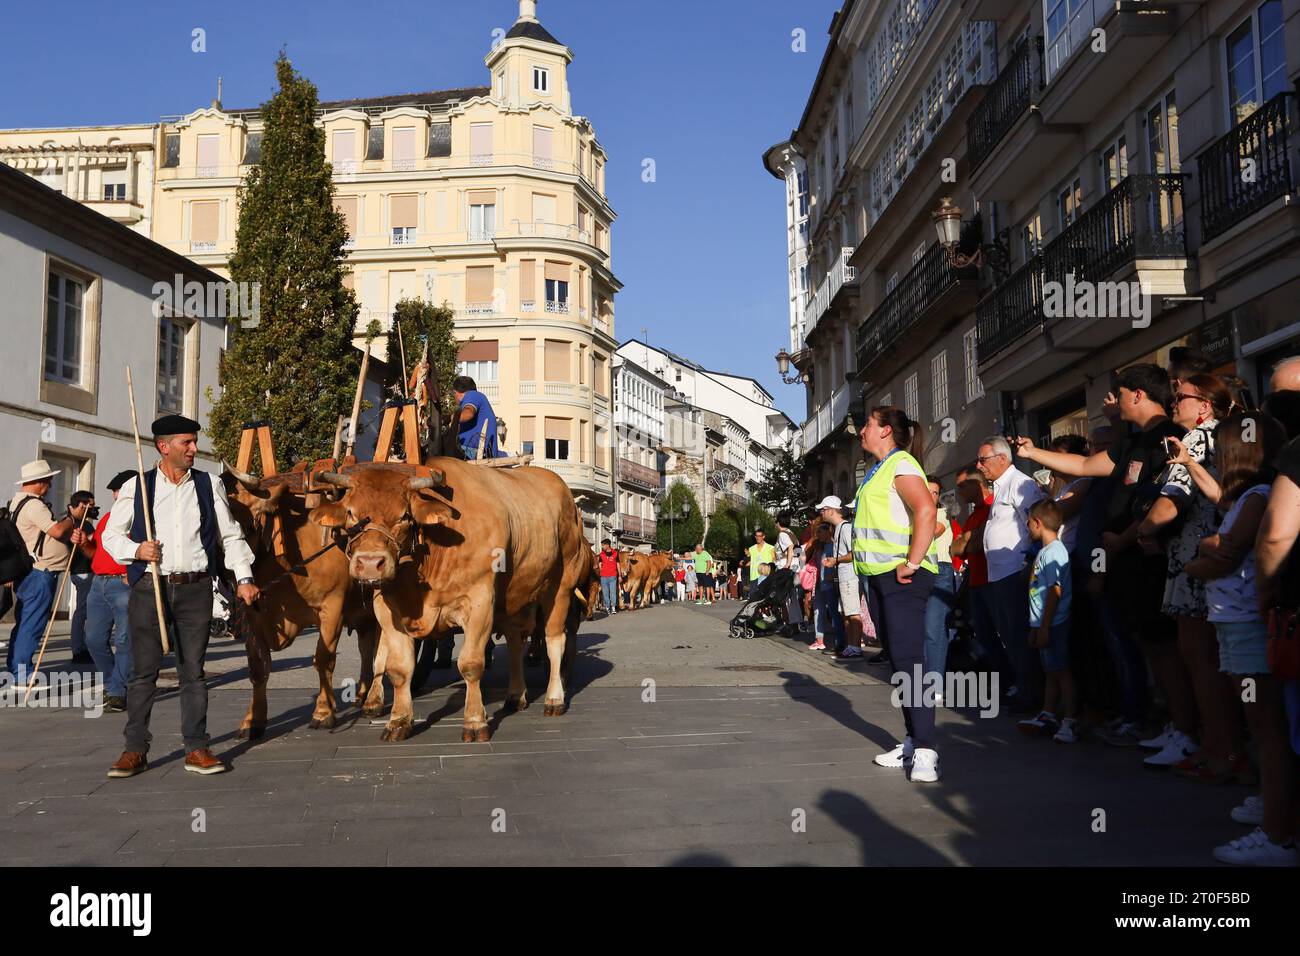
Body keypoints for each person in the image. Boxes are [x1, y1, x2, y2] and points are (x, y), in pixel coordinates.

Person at [1017, 364, 1184, 747]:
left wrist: (1126, 538)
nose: (1116, 401)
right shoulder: (1130, 443)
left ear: (1138, 394)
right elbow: (1083, 466)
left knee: (1164, 647)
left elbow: (1166, 500)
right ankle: (1172, 725)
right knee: (1146, 644)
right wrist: (1033, 452)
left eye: (1121, 394)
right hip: (1122, 560)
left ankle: (1183, 728)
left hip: (1150, 558)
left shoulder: (1170, 439)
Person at [101, 414, 260, 778]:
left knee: (193, 671)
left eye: (193, 442)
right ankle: (134, 749)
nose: (193, 449)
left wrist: (245, 577)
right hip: (150, 588)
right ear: (164, 446)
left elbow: (230, 535)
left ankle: (197, 748)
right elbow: (111, 537)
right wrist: (138, 551)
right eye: (186, 442)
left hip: (195, 588)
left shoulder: (209, 484)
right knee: (143, 673)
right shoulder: (137, 486)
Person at [1184, 412, 1296, 865]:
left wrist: (1199, 558)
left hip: (1250, 623)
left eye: (1219, 448)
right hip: (1236, 622)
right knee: (1261, 724)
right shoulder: (1247, 497)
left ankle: (1278, 831)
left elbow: (1225, 553)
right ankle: (1272, 802)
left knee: (1268, 728)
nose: (1214, 454)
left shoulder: (1257, 496)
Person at [1148, 374, 1244, 777]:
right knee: (1209, 657)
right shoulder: (1218, 436)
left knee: (1200, 657)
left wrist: (1141, 531)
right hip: (1205, 556)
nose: (1174, 404)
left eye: (1180, 397)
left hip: (1196, 560)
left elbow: (1174, 500)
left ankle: (1222, 751)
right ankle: (1220, 747)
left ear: (1204, 405)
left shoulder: (1199, 440)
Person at [854, 407, 940, 781]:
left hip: (902, 575)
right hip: (879, 576)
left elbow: (926, 509)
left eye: (868, 425)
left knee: (909, 661)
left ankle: (925, 750)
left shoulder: (901, 463)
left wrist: (913, 560)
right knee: (898, 662)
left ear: (886, 430)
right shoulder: (876, 469)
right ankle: (911, 739)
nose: (861, 431)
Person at [975, 435, 1046, 713]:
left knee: (1018, 634)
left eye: (983, 459)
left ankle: (1032, 694)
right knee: (1009, 634)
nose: (979, 465)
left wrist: (1027, 561)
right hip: (998, 573)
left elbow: (1035, 524)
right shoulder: (1001, 487)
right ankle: (1024, 687)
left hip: (1014, 570)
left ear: (1002, 458)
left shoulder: (1020, 484)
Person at [6, 459, 91, 680]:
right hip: (40, 572)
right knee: (32, 623)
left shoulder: (17, 502)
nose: (51, 485)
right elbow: (54, 531)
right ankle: (22, 673)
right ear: (39, 482)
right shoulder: (34, 505)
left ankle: (17, 667)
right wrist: (72, 520)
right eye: (48, 480)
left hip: (30, 572)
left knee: (25, 621)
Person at [1018, 499, 1077, 742]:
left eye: (1029, 522)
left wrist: (1043, 627)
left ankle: (1071, 722)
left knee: (1062, 671)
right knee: (1050, 671)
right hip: (1044, 623)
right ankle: (1048, 713)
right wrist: (1035, 626)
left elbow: (1054, 592)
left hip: (1055, 623)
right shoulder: (1045, 551)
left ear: (1038, 523)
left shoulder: (1054, 552)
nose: (1027, 526)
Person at [83, 471, 138, 712]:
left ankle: (118, 691)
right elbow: (94, 553)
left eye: (118, 491)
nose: (115, 496)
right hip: (99, 583)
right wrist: (84, 543)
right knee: (93, 639)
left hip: (123, 583)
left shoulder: (142, 519)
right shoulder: (107, 518)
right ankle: (114, 682)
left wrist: (134, 572)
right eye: (115, 492)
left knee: (125, 639)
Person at [924, 479, 958, 690]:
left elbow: (932, 532)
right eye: (927, 491)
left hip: (940, 571)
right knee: (921, 629)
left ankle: (935, 684)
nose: (931, 496)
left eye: (935, 493)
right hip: (920, 569)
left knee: (933, 629)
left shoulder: (942, 514)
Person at [815, 497, 850, 656]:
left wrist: (835, 561)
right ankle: (842, 646)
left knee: (847, 614)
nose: (821, 512)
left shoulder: (845, 528)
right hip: (838, 579)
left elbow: (853, 554)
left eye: (823, 509)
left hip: (846, 578)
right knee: (841, 614)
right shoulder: (838, 531)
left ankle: (847, 646)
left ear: (831, 510)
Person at [66, 490, 97, 665]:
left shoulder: (86, 523)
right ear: (80, 505)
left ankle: (82, 647)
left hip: (88, 570)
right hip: (81, 571)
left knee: (86, 611)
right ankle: (78, 649)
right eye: (89, 506)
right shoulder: (71, 523)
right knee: (82, 611)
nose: (92, 509)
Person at [452, 375, 505, 460]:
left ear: (455, 392)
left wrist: (447, 419)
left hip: (473, 451)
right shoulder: (479, 397)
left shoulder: (473, 395)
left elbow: (468, 413)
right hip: (480, 451)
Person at [774, 513, 805, 631]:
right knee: (793, 598)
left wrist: (787, 563)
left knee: (785, 598)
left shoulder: (782, 534)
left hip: (786, 568)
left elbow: (791, 547)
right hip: (794, 567)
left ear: (778, 523)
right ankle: (795, 623)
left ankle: (789, 624)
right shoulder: (791, 533)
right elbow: (798, 550)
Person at [745, 530, 776, 595]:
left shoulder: (770, 548)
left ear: (763, 536)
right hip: (754, 576)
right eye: (756, 536)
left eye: (759, 536)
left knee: (765, 597)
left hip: (765, 576)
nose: (758, 538)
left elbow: (774, 561)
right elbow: (752, 559)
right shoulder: (751, 549)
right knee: (753, 598)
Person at [597, 538, 619, 616]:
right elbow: (599, 563)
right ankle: (607, 607)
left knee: (613, 593)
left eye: (603, 545)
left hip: (613, 576)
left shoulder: (615, 553)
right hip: (603, 577)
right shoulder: (601, 554)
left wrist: (619, 575)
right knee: (605, 593)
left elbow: (618, 564)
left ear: (607, 545)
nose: (602, 547)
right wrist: (601, 571)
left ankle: (613, 607)